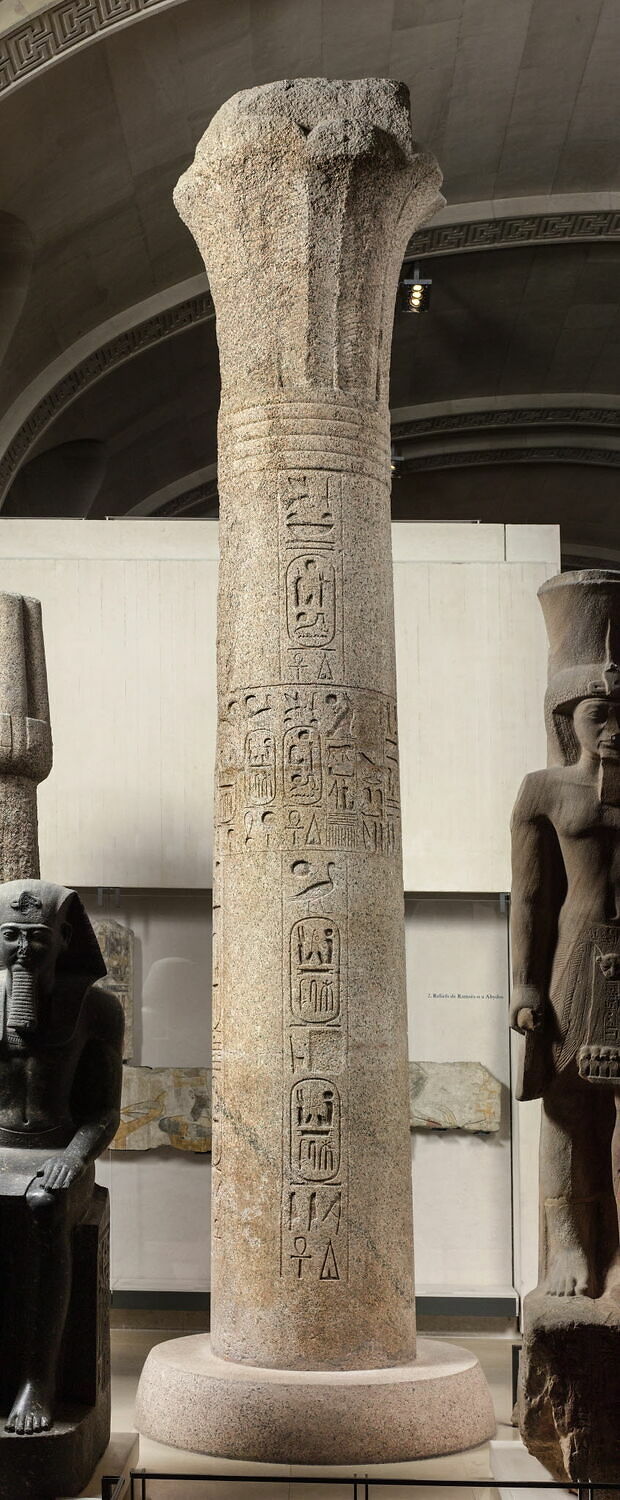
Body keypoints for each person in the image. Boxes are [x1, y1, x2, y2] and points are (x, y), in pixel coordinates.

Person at [511, 572, 620, 1300]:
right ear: (566, 719)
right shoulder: (544, 790)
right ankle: (569, 1253)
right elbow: (531, 897)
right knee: (568, 1107)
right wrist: (522, 981)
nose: (611, 725)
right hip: (576, 956)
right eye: (596, 712)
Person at [0, 879, 123, 1434]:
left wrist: (72, 1160)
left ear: (64, 938)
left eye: (36, 938)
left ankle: (38, 1378)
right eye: (10, 937)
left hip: (54, 1151)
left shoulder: (96, 1009)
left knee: (45, 1208)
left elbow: (103, 1112)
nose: (23, 950)